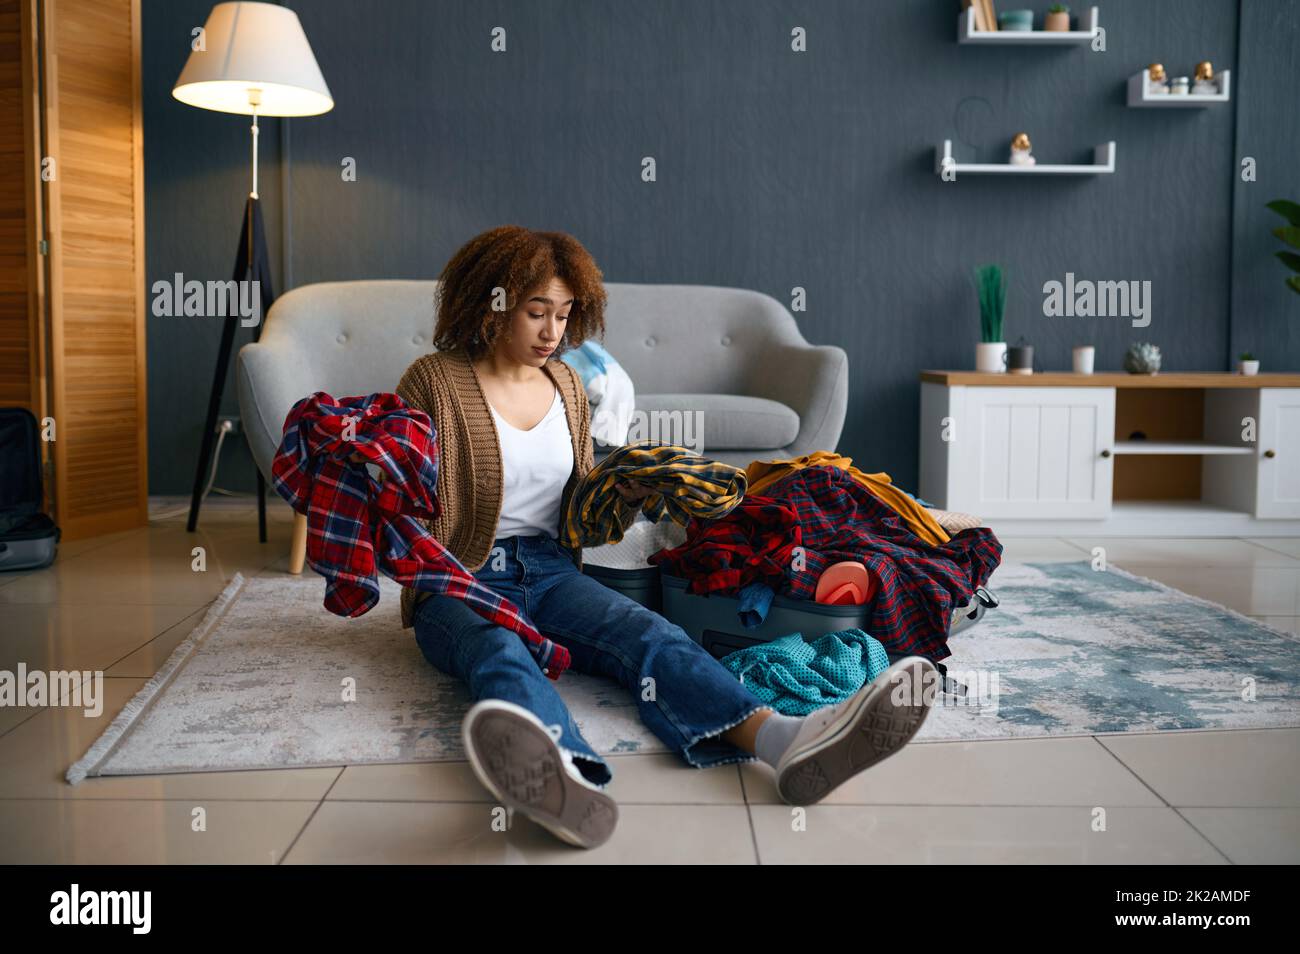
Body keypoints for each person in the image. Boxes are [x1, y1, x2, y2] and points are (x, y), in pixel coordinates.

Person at [398, 225, 935, 849]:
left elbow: (579, 513)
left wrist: (626, 491)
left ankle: (785, 741)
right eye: (536, 312)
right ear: (488, 304)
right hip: (456, 579)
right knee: (498, 652)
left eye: (566, 315)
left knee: (649, 633)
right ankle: (562, 777)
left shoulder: (567, 385)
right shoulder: (433, 382)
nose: (553, 332)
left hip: (548, 570)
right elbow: (403, 499)